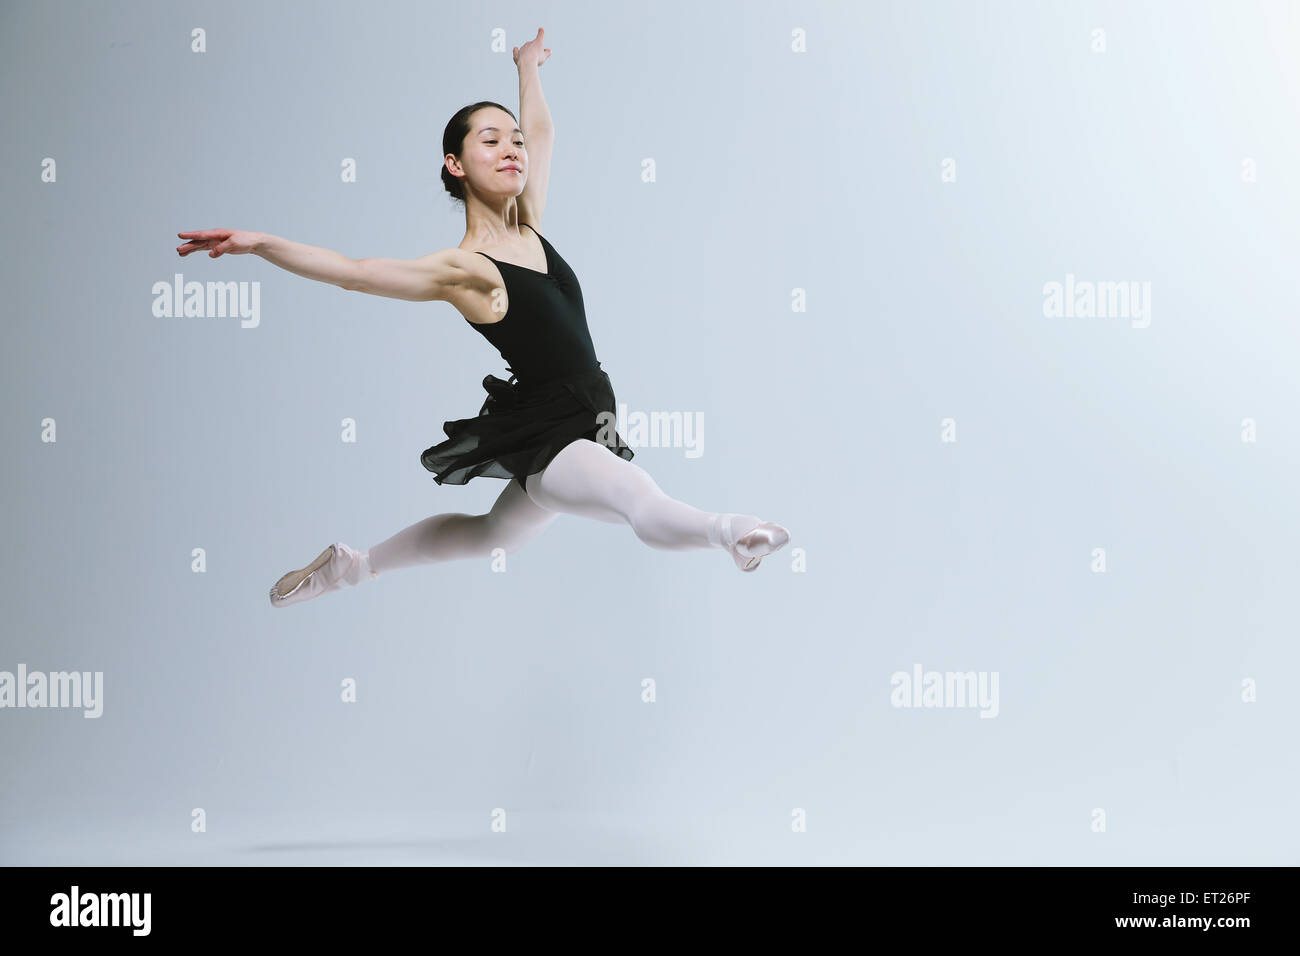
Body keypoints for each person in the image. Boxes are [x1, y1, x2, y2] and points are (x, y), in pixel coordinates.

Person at [175, 28, 789, 608]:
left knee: (496, 537)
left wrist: (526, 68)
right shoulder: (468, 269)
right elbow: (354, 270)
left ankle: (353, 566)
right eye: (490, 140)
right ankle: (735, 533)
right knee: (640, 501)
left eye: (513, 140)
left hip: (586, 417)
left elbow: (543, 132)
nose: (513, 149)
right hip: (558, 435)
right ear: (456, 165)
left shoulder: (530, 228)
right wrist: (260, 244)